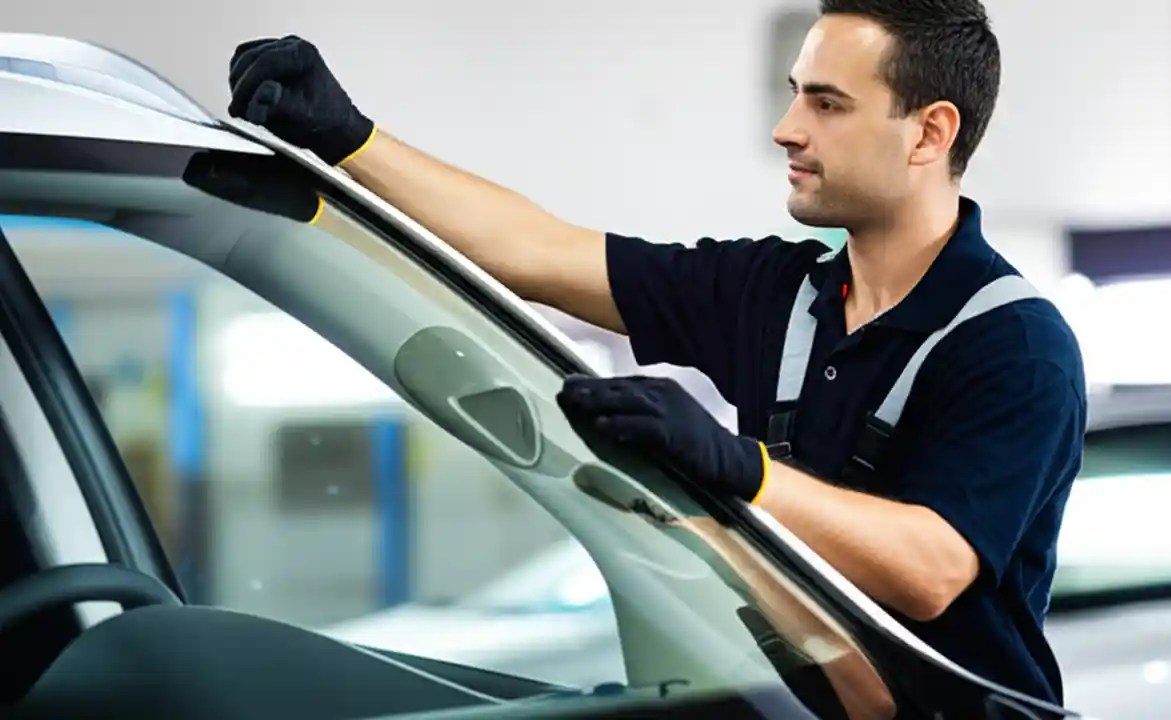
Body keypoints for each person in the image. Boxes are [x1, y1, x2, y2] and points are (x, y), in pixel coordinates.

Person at [226, 0, 1086, 706]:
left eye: (827, 104)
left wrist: (737, 470)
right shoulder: (773, 292)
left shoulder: (1014, 344)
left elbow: (931, 567)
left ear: (930, 132)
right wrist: (349, 139)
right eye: (794, 94)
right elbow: (541, 252)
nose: (787, 129)